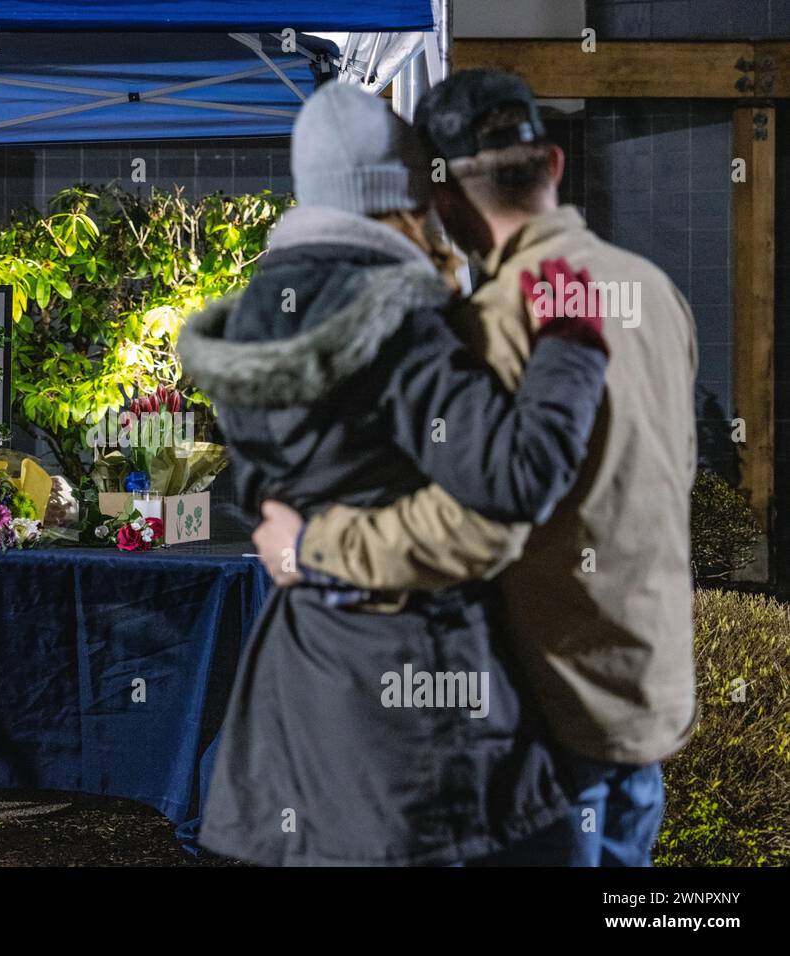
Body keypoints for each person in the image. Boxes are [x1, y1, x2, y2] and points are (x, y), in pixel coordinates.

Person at [253, 71, 698, 866]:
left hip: (548, 726)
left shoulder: (491, 326)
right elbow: (675, 478)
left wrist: (311, 546)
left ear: (445, 201)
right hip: (649, 700)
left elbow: (475, 532)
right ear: (553, 167)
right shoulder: (653, 290)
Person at [177, 81, 608, 866]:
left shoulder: (252, 314)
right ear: (405, 199)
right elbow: (517, 473)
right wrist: (573, 340)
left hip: (301, 669)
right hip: (412, 678)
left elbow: (260, 498)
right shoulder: (395, 319)